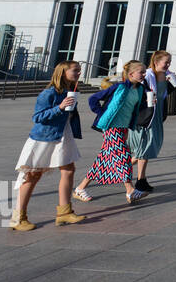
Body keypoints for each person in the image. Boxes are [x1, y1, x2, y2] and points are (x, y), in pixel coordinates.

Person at [10, 61, 87, 231]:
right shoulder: (49, 93)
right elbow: (37, 117)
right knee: (32, 175)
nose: (78, 73)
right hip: (44, 137)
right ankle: (18, 218)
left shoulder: (71, 91)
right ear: (63, 72)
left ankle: (64, 212)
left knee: (69, 170)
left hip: (63, 135)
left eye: (79, 71)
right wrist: (60, 107)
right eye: (75, 70)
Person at [73, 61, 148, 204]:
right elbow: (93, 99)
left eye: (145, 72)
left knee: (103, 159)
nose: (144, 74)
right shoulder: (119, 87)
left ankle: (80, 188)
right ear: (131, 74)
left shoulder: (139, 89)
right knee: (124, 157)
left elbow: (135, 108)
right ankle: (130, 190)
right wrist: (103, 114)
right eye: (141, 72)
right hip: (111, 127)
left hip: (123, 127)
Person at [128, 50, 175, 193]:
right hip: (146, 116)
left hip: (157, 115)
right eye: (166, 62)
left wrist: (171, 83)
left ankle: (140, 179)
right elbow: (136, 91)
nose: (168, 65)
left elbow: (163, 95)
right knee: (144, 148)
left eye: (169, 62)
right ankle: (123, 170)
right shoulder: (148, 75)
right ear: (156, 62)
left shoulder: (167, 76)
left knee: (147, 148)